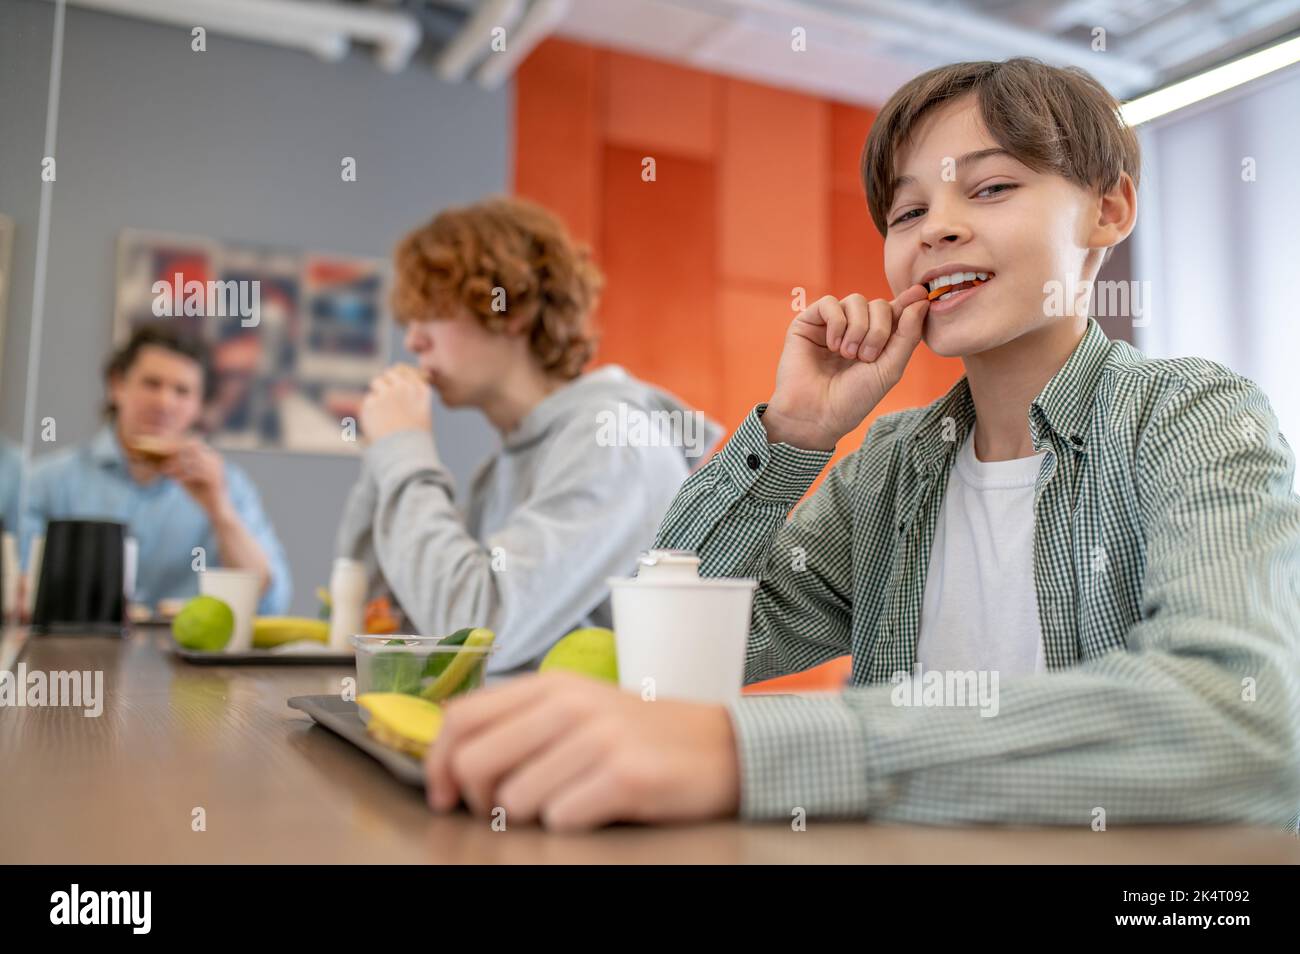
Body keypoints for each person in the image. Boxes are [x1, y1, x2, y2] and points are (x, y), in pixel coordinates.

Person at [421, 58, 1300, 832]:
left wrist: (748, 754)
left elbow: (1242, 720)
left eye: (991, 188)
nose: (935, 228)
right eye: (907, 210)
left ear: (1108, 210)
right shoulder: (891, 467)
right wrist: (793, 435)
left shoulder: (1191, 418)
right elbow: (686, 651)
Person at [336, 196, 721, 672]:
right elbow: (378, 618)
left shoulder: (611, 442)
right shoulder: (502, 467)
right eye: (409, 321)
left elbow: (473, 634)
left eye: (431, 312)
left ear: (512, 309)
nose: (414, 340)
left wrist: (404, 452)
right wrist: (384, 459)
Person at [23, 325, 291, 613]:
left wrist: (219, 509)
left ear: (199, 406)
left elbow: (269, 603)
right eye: (151, 384)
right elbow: (20, 588)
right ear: (117, 385)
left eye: (182, 391)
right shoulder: (48, 482)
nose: (164, 403)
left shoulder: (229, 488)